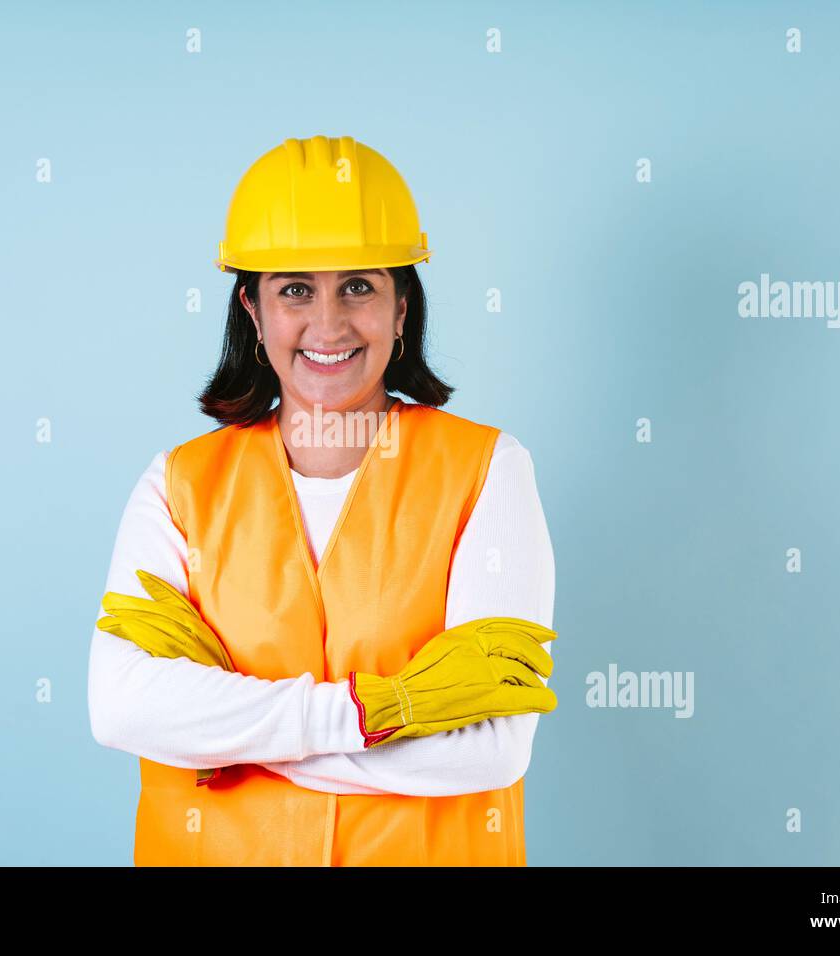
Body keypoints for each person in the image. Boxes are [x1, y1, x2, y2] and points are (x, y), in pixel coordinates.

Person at [87, 135, 558, 866]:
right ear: (254, 309)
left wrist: (232, 737)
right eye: (295, 289)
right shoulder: (178, 486)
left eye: (360, 287)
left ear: (403, 307)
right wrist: (377, 714)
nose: (330, 324)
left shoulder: (488, 470)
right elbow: (124, 705)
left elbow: (491, 749)